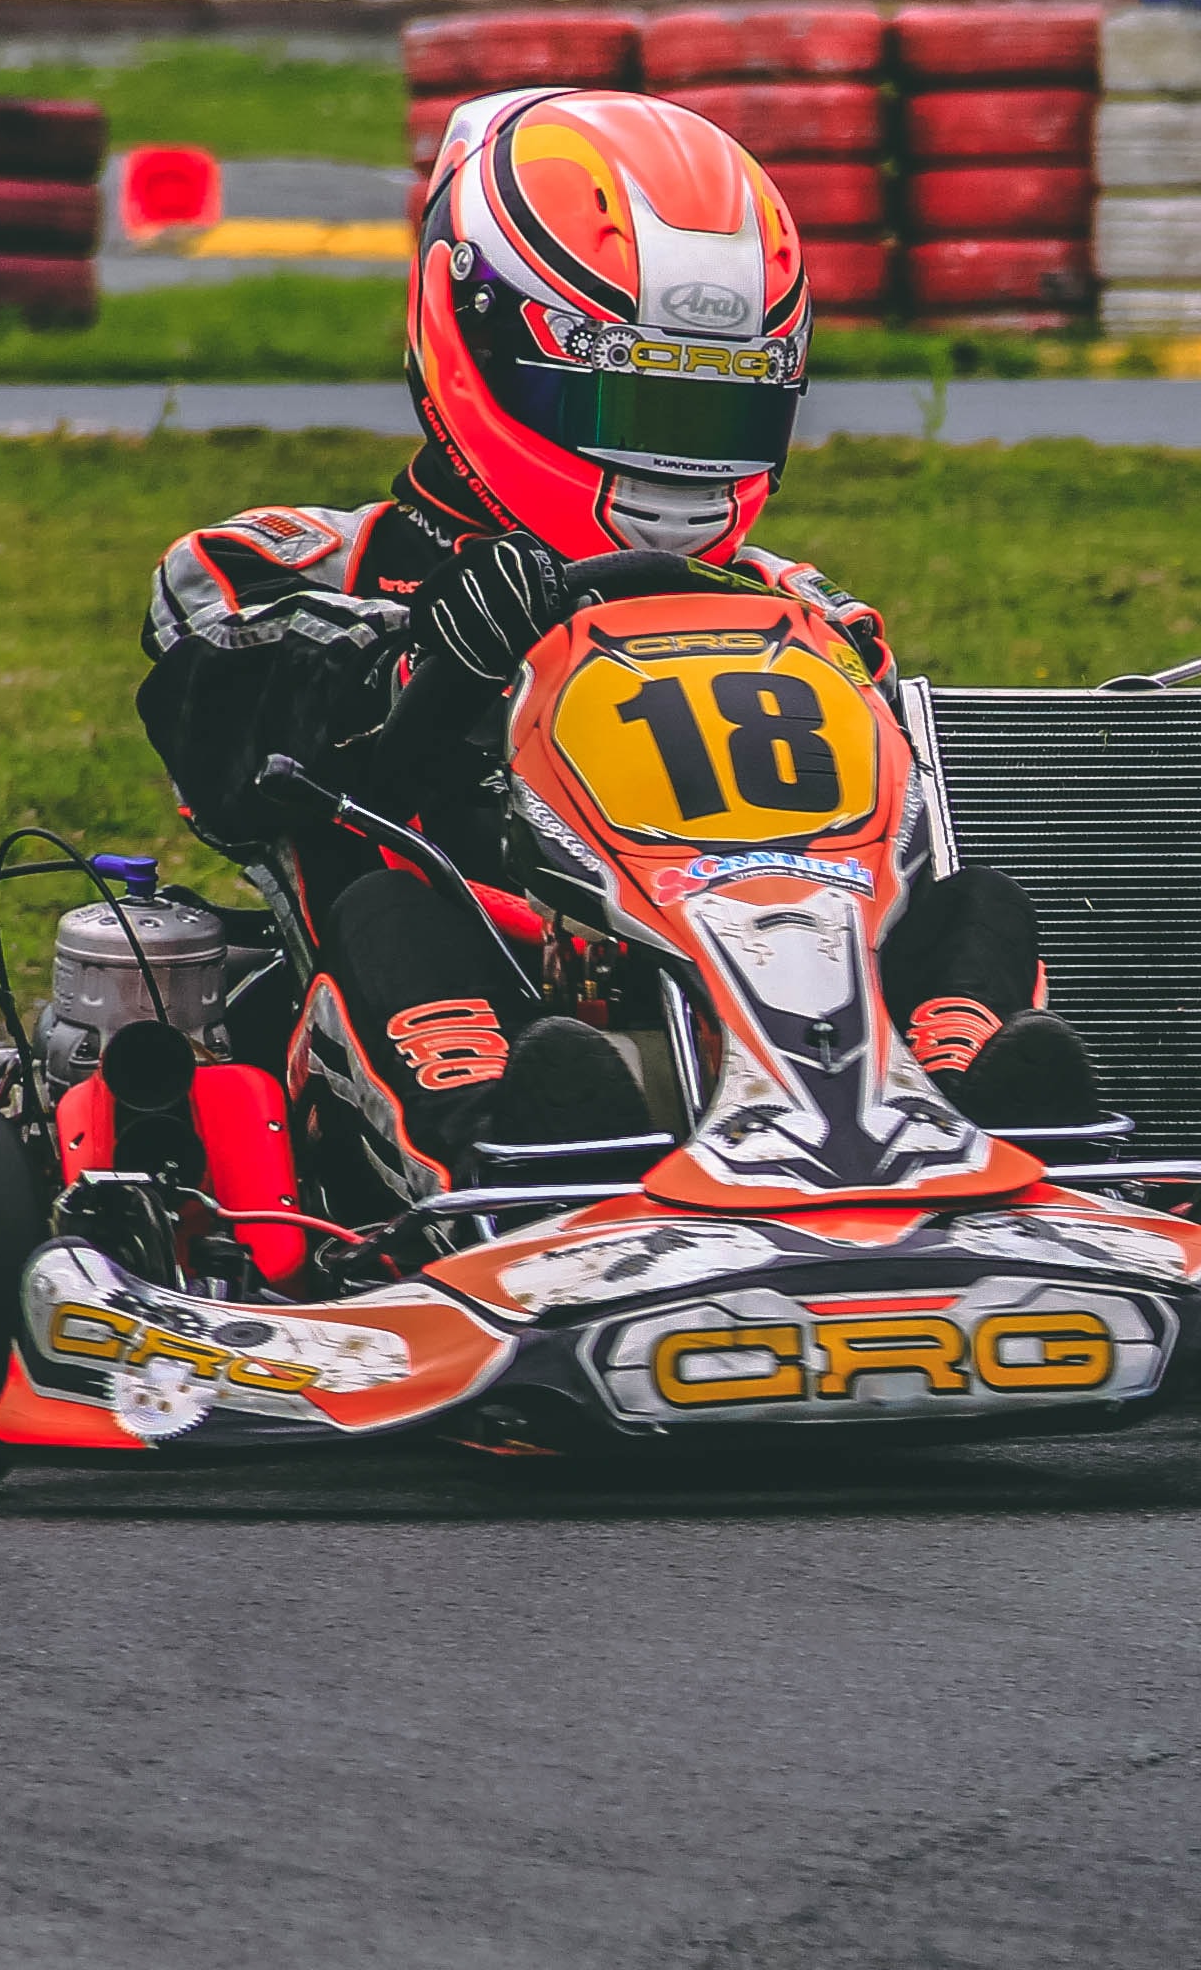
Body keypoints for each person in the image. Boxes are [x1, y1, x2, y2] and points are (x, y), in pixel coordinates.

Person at [135, 84, 1088, 1211]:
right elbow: (227, 752)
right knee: (389, 913)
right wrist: (420, 655)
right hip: (485, 1013)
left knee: (976, 905)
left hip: (776, 993)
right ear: (477, 334)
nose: (671, 459)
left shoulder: (803, 612)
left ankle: (965, 1114)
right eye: (625, 406)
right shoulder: (291, 571)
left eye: (709, 418)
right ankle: (504, 1157)